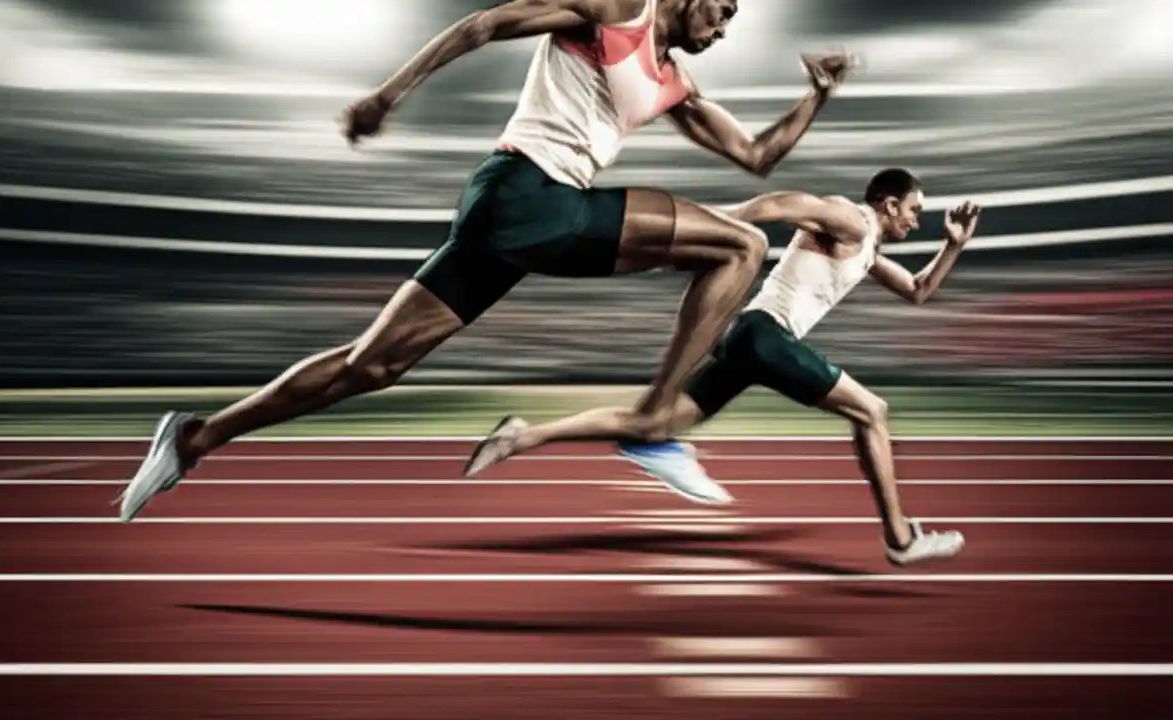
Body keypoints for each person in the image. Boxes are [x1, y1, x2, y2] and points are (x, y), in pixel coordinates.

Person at [115, 0, 857, 521]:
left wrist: (815, 97)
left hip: (520, 219)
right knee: (743, 244)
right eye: (724, 9)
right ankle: (656, 421)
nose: (726, 26)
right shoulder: (617, 9)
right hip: (527, 194)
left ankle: (194, 437)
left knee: (367, 367)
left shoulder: (673, 82)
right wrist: (386, 95)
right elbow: (485, 23)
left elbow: (756, 156)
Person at [463, 168, 982, 565]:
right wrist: (711, 225)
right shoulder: (851, 219)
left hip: (748, 340)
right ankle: (901, 538)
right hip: (764, 335)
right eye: (914, 210)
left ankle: (522, 436)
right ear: (889, 204)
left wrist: (951, 248)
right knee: (872, 411)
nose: (917, 220)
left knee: (652, 424)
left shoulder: (867, 251)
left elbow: (918, 291)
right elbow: (781, 203)